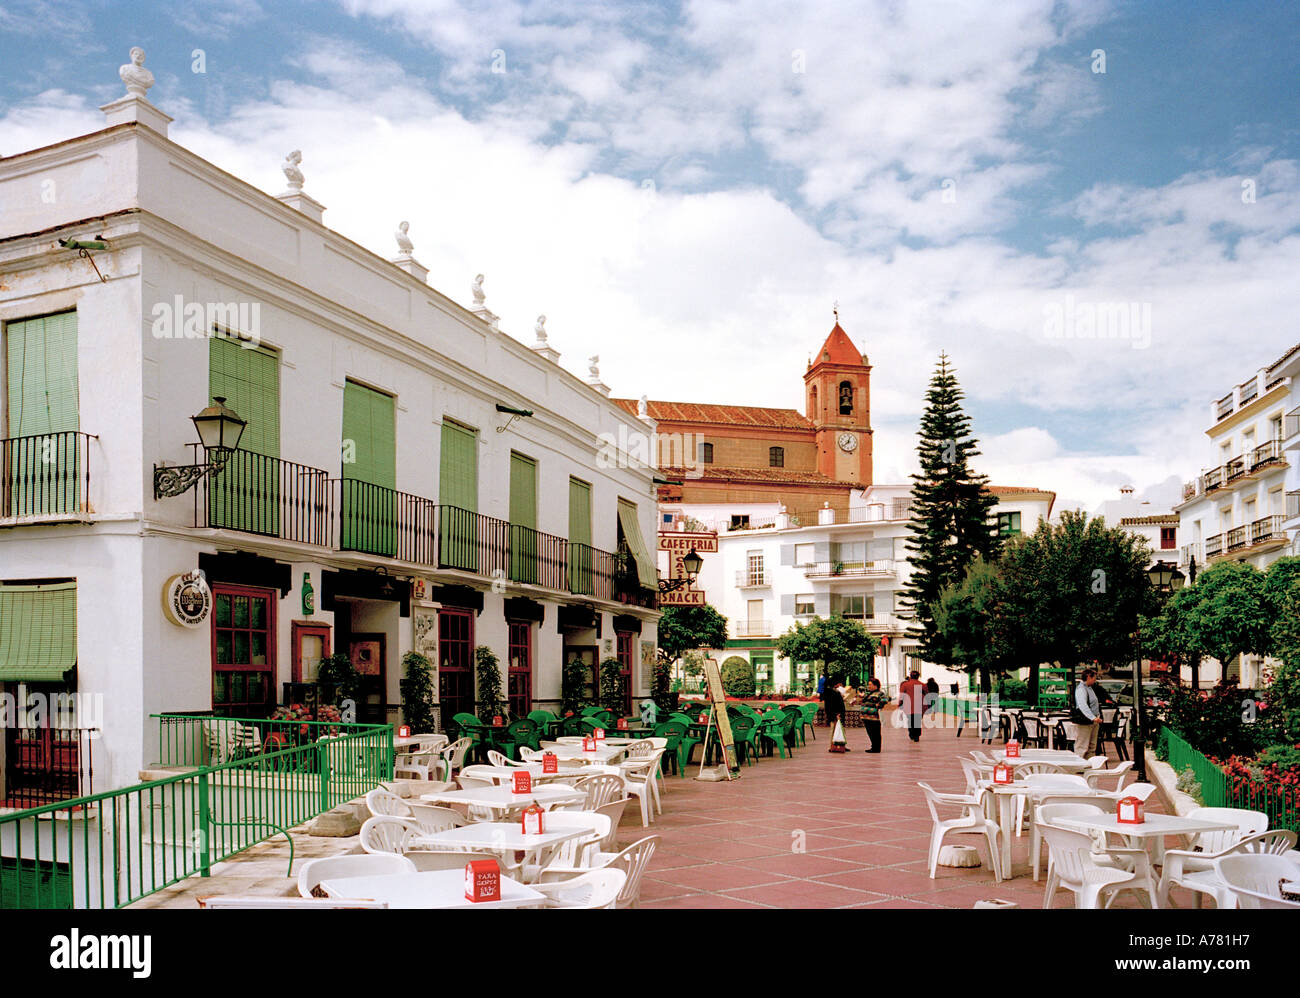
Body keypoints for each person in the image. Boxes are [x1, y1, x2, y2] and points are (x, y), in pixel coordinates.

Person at [1074, 667, 1103, 757]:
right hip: (1086, 721)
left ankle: (1089, 765)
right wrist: (1092, 717)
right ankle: (1079, 766)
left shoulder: (1089, 688)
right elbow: (1083, 705)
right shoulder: (1081, 689)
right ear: (1088, 677)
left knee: (1092, 746)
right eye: (1094, 678)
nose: (1095, 680)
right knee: (1082, 745)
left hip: (1093, 720)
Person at [861, 677, 889, 753]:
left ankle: (876, 748)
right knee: (870, 732)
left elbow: (885, 700)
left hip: (874, 717)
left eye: (870, 685)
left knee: (875, 733)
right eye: (868, 685)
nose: (868, 686)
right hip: (866, 717)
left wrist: (878, 705)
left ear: (875, 685)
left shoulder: (880, 693)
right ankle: (873, 746)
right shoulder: (868, 694)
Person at [822, 674, 848, 752]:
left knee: (840, 730)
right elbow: (832, 705)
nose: (840, 684)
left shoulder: (832, 692)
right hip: (836, 715)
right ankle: (833, 746)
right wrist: (836, 714)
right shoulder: (832, 693)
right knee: (834, 730)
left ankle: (841, 744)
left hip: (836, 714)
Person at [899, 670, 926, 742]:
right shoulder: (923, 685)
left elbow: (902, 695)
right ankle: (917, 735)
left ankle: (912, 734)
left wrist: (900, 703)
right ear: (918, 676)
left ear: (910, 676)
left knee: (910, 721)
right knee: (917, 721)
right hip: (919, 706)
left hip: (908, 706)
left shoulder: (905, 685)